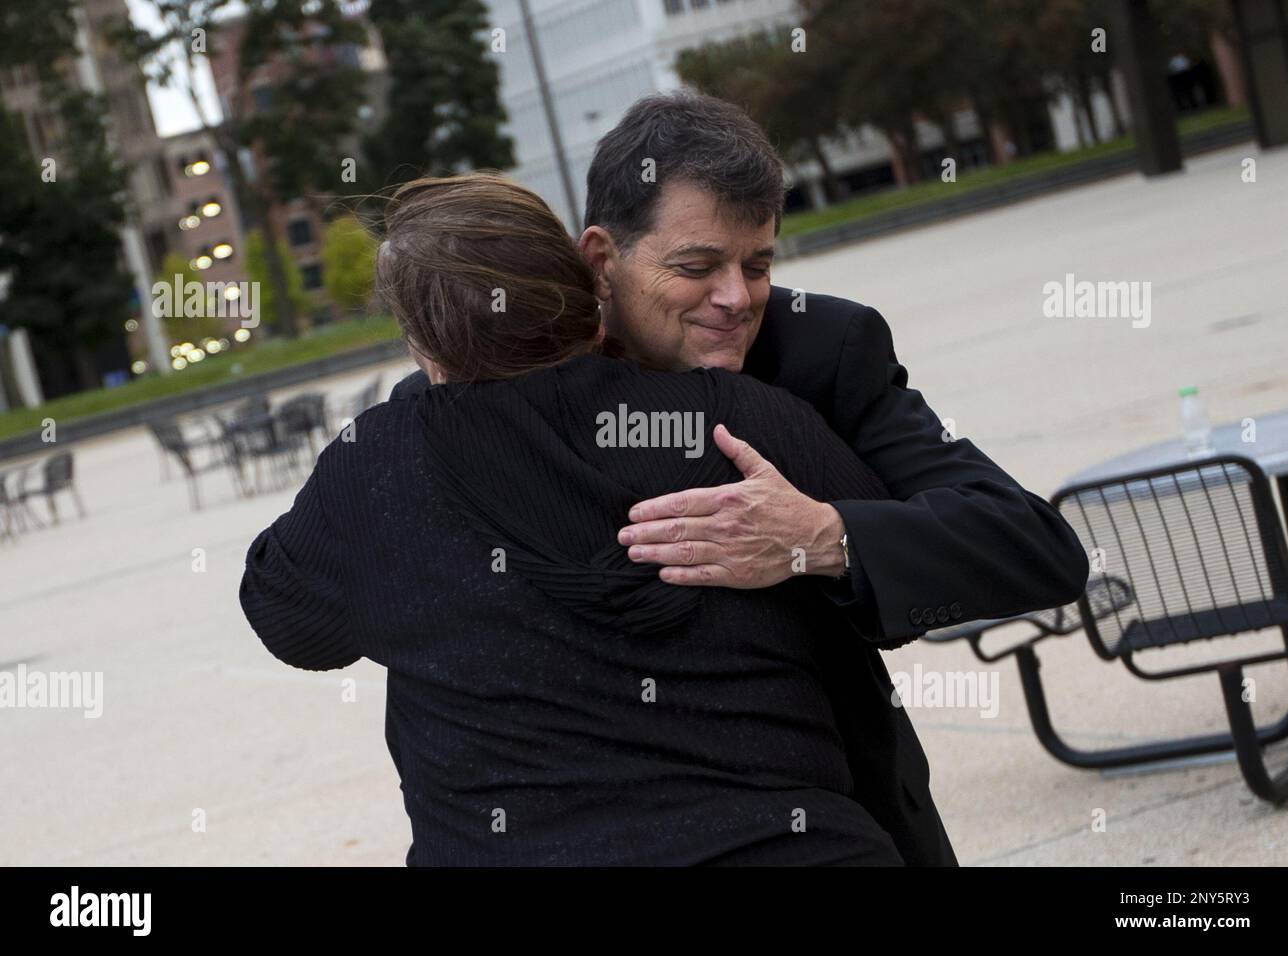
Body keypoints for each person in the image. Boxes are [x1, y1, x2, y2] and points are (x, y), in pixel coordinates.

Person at [387, 93, 1092, 863]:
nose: (736, 298)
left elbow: (1033, 546)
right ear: (601, 258)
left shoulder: (822, 349)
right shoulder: (472, 392)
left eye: (757, 264)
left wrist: (823, 539)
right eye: (696, 267)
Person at [240, 172, 952, 865]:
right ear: (583, 288)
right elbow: (893, 581)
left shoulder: (377, 465)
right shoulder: (736, 420)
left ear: (422, 341)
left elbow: (290, 622)